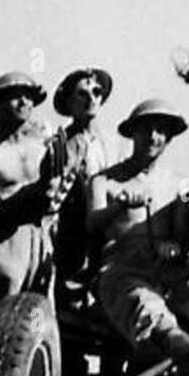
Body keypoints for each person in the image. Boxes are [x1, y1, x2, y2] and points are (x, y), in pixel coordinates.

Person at [89, 99, 189, 362]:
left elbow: (180, 238)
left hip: (171, 275)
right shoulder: (104, 181)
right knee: (147, 308)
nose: (153, 137)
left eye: (161, 131)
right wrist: (120, 205)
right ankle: (186, 352)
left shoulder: (178, 186)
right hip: (123, 273)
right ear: (132, 133)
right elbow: (92, 222)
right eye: (146, 129)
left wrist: (174, 247)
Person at [0, 71, 69, 334]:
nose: (23, 102)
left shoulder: (40, 148)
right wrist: (32, 195)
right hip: (3, 247)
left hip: (38, 243)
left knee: (34, 323)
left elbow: (53, 197)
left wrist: (53, 192)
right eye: (14, 97)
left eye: (28, 96)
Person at [49, 67, 114, 312]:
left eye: (97, 92)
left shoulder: (105, 140)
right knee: (71, 307)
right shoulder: (62, 144)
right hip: (72, 235)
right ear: (69, 101)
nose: (91, 99)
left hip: (102, 235)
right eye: (82, 94)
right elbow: (53, 196)